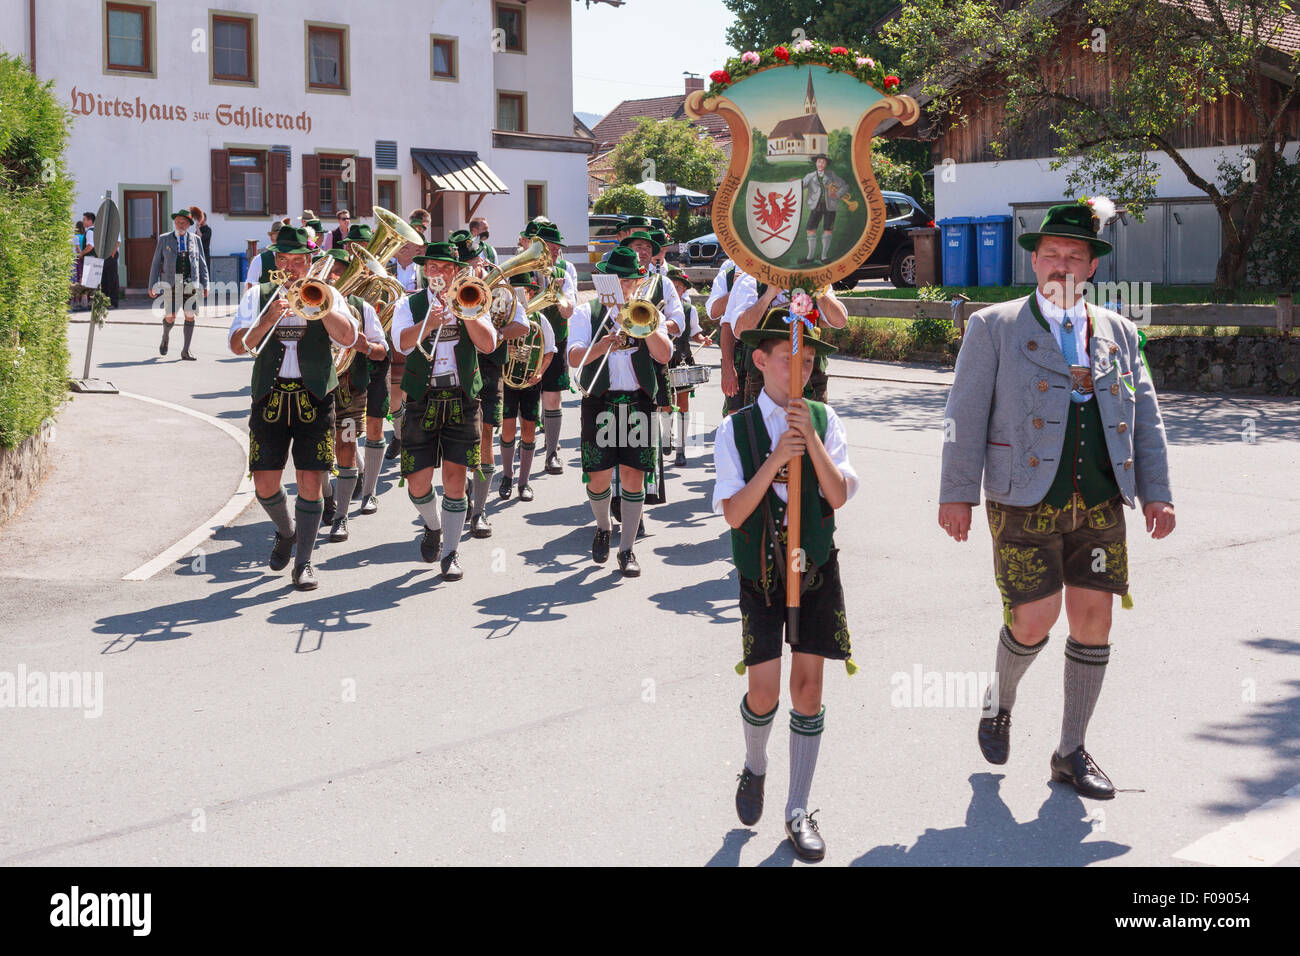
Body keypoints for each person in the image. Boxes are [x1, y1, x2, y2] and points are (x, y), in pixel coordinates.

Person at [937, 197, 1176, 800]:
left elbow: (1145, 418)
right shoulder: (993, 326)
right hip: (1022, 497)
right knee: (1034, 617)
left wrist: (1157, 492)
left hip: (1100, 498)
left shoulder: (1120, 332)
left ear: (1092, 266)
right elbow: (964, 413)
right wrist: (957, 493)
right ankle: (1000, 699)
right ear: (1034, 262)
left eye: (1074, 256)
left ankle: (1070, 750)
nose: (1062, 265)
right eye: (1052, 254)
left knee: (1094, 620)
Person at [712, 306, 858, 863]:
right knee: (765, 692)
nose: (802, 368)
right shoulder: (735, 428)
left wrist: (810, 440)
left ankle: (798, 809)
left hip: (814, 566)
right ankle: (755, 764)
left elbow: (838, 495)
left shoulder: (826, 418)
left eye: (811, 359)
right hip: (763, 573)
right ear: (760, 360)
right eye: (790, 358)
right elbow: (734, 512)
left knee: (809, 690)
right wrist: (777, 456)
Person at [227, 226, 361, 590]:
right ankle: (286, 531)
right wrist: (268, 318)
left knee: (311, 480)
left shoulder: (328, 292)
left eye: (298, 261)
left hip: (314, 396)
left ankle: (303, 561)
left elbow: (349, 338)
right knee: (265, 484)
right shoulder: (258, 295)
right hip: (270, 396)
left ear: (311, 261)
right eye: (283, 260)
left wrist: (320, 307)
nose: (290, 267)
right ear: (275, 261)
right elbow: (238, 346)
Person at [389, 241, 498, 581]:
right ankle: (433, 526)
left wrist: (465, 314)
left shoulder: (472, 298)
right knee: (417, 482)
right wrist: (429, 324)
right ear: (424, 271)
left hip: (462, 395)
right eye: (432, 267)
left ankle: (450, 552)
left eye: (445, 268)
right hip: (422, 396)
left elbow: (488, 344)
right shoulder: (409, 304)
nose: (438, 273)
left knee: (454, 479)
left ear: (455, 272)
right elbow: (400, 344)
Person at [567, 246, 674, 577]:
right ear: (605, 282)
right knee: (598, 477)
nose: (625, 287)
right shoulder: (586, 312)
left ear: (639, 283)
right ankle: (603, 526)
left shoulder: (647, 312)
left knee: (633, 474)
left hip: (638, 400)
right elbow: (573, 358)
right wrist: (602, 345)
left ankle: (627, 549)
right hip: (600, 400)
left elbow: (664, 356)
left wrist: (647, 326)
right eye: (618, 281)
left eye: (630, 281)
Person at [318, 249, 388, 542]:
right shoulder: (307, 302)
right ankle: (327, 497)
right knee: (318, 453)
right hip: (316, 388)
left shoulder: (362, 307)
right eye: (331, 271)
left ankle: (342, 516)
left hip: (348, 389)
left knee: (346, 447)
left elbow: (382, 350)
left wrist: (365, 347)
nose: (334, 277)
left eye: (341, 271)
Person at [727, 274, 847, 404]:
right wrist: (768, 295)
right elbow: (740, 331)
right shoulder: (752, 279)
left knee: (814, 417)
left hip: (812, 378)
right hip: (766, 378)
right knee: (764, 416)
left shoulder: (817, 277)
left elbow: (840, 321)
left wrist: (818, 291)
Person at [498, 274, 556, 501]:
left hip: (531, 381)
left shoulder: (540, 319)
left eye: (526, 291)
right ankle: (507, 476)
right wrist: (506, 350)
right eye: (516, 291)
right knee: (507, 429)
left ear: (532, 293)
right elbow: (492, 343)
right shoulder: (503, 317)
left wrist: (540, 372)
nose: (523, 295)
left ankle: (524, 481)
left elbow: (549, 350)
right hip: (508, 381)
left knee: (529, 431)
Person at [531, 222, 578, 475]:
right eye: (551, 247)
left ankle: (552, 453)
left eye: (558, 248)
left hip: (556, 341)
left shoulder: (564, 272)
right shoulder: (522, 271)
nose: (556, 252)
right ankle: (525, 448)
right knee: (526, 400)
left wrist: (558, 293)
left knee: (552, 397)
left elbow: (568, 312)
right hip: (528, 342)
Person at [664, 265, 713, 465]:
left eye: (678, 287)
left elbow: (695, 332)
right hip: (660, 359)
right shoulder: (657, 308)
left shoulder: (688, 309)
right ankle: (666, 437)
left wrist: (703, 339)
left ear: (684, 289)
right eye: (671, 286)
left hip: (682, 359)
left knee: (683, 403)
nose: (675, 290)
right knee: (664, 403)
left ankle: (681, 449)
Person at [148, 209, 210, 360]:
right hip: (171, 283)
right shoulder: (164, 239)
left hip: (191, 283)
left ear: (188, 224)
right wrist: (152, 285)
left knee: (190, 315)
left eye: (183, 222)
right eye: (177, 222)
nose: (180, 225)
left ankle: (186, 351)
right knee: (171, 316)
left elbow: (202, 263)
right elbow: (156, 263)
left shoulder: (196, 239)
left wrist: (205, 284)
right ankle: (165, 336)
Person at [385, 239, 424, 462]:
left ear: (416, 249)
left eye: (408, 244)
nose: (403, 247)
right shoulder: (386, 269)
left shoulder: (424, 271)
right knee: (393, 396)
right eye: (400, 243)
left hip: (417, 335)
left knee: (412, 392)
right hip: (392, 334)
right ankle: (400, 435)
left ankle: (412, 437)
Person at [800, 154, 851, 265]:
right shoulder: (810, 176)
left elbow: (845, 186)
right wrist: (794, 183)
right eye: (819, 162)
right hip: (816, 206)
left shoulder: (831, 175)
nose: (821, 164)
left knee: (828, 229)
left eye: (823, 162)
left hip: (830, 206)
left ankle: (824, 256)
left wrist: (837, 194)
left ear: (826, 164)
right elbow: (801, 185)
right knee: (810, 229)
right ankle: (810, 257)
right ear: (816, 163)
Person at [245, 218, 291, 290]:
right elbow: (250, 287)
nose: (281, 240)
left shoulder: (295, 259)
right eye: (278, 237)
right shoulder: (259, 260)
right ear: (272, 239)